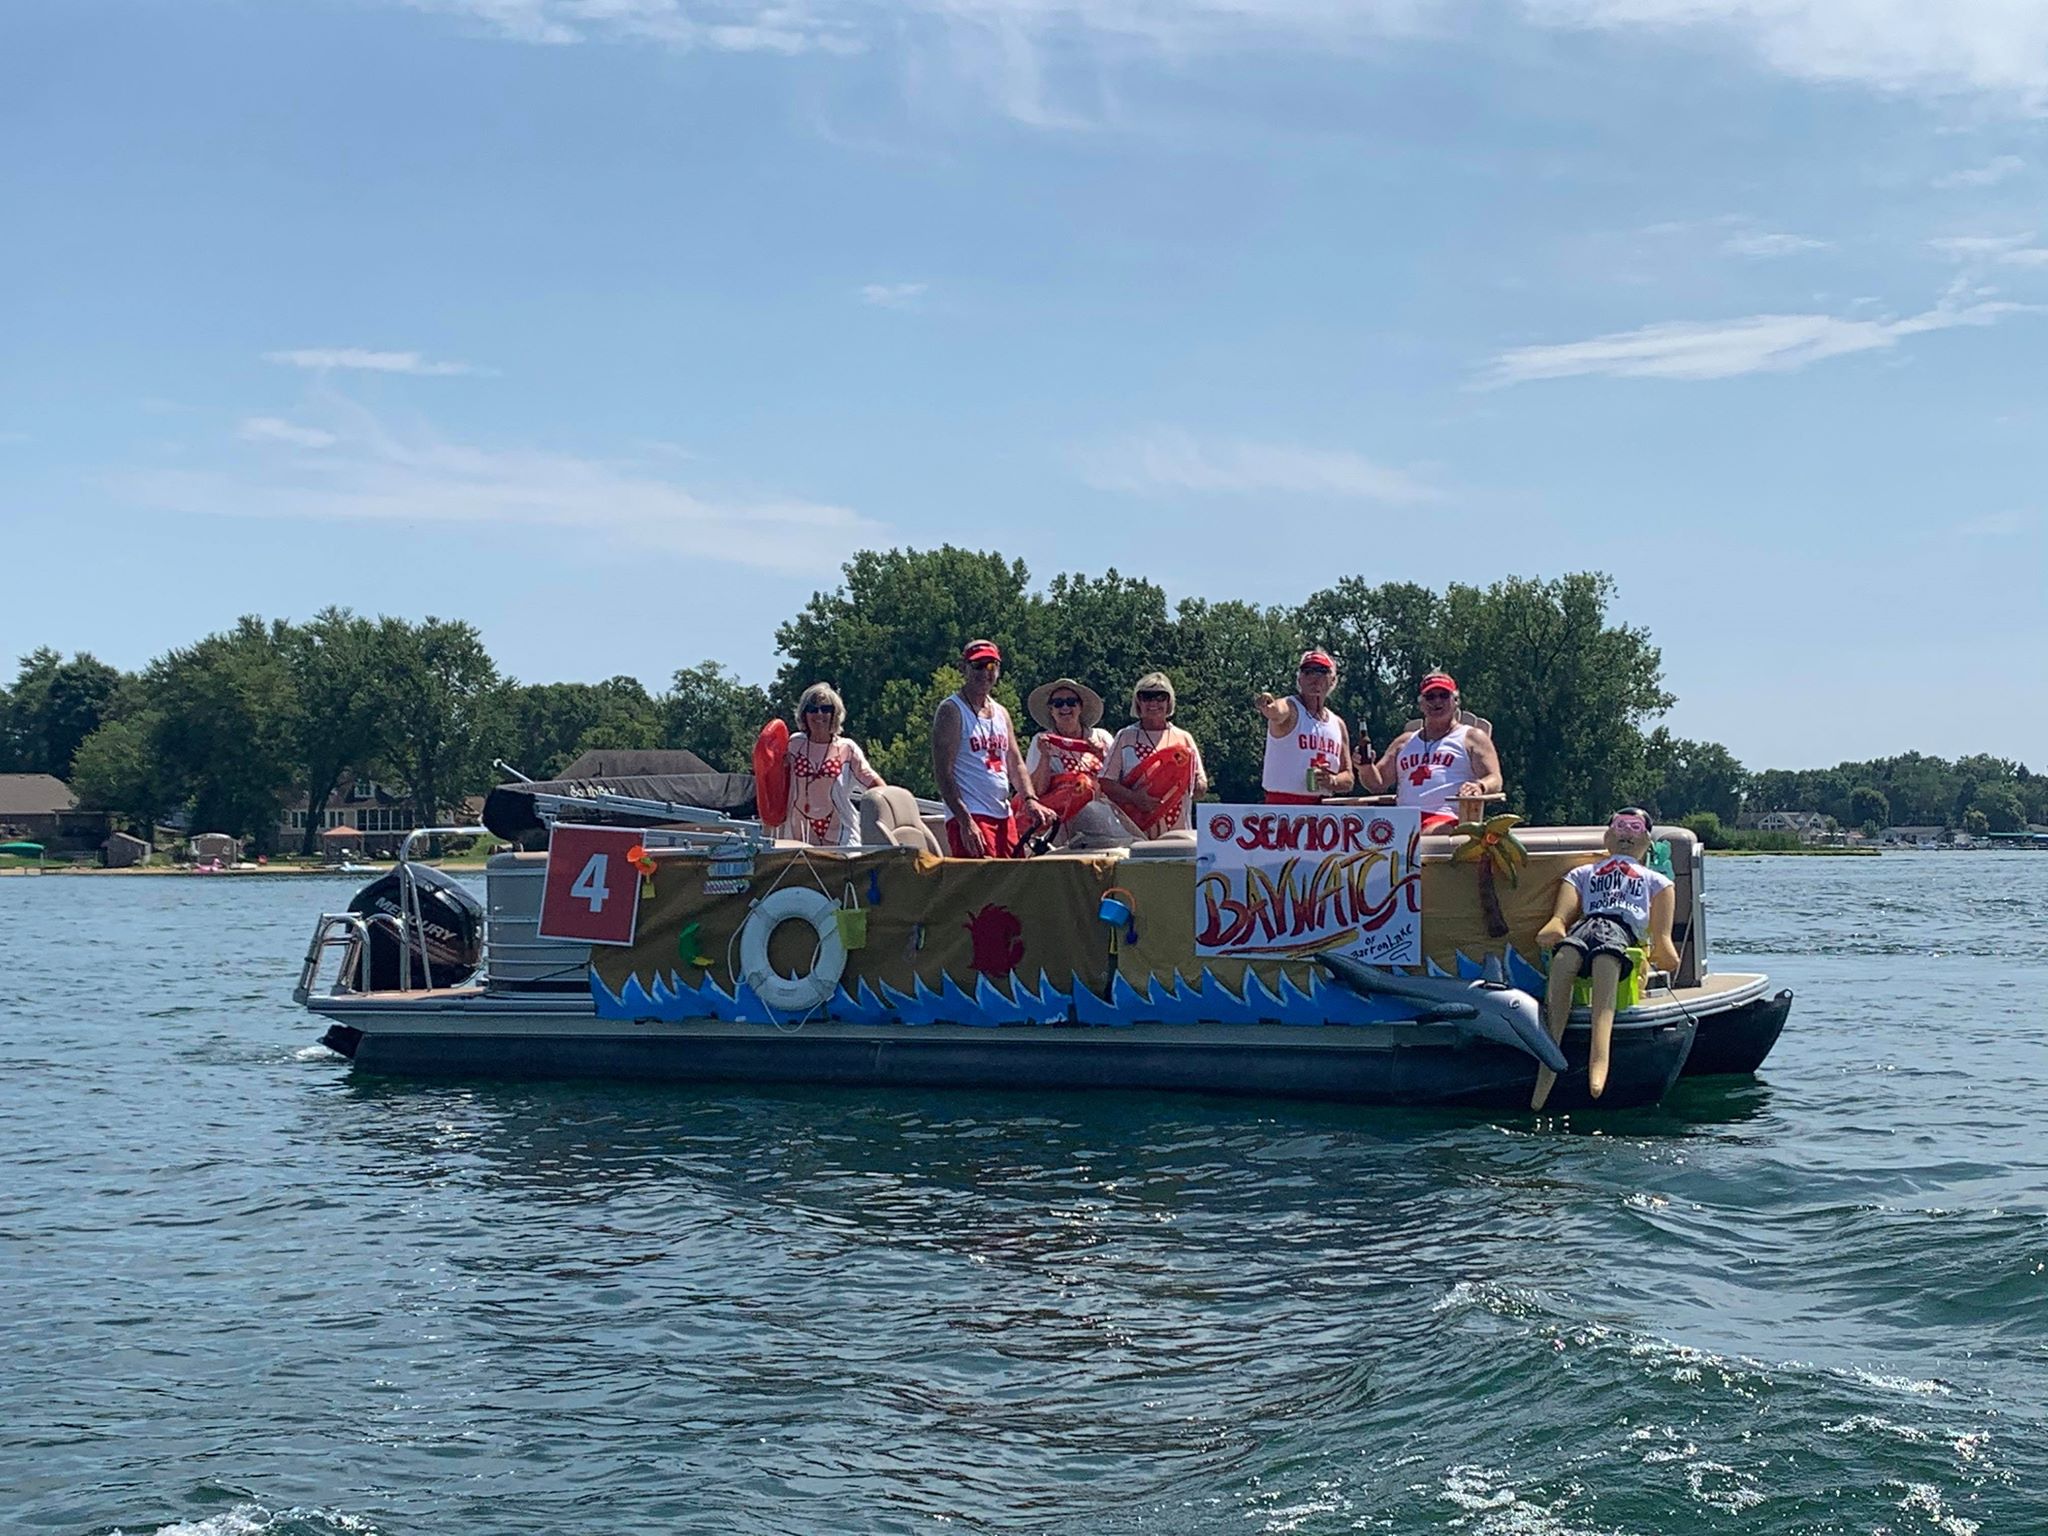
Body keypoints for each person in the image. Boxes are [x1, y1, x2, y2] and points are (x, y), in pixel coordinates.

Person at [1532, 808, 1681, 1106]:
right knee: (1564, 959)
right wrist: (1558, 922)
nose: (1626, 833)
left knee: (1606, 962)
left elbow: (1661, 929)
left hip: (1620, 930)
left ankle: (1599, 1062)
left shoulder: (1656, 880)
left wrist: (1664, 946)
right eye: (1620, 826)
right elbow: (1566, 905)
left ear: (1647, 840)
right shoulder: (1583, 873)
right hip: (1586, 924)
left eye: (1635, 827)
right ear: (1608, 834)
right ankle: (1547, 1061)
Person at [931, 639, 1051, 858]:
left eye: (991, 666)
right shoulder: (952, 710)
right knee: (983, 886)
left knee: (1012, 882)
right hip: (971, 815)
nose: (985, 673)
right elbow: (943, 773)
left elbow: (1015, 764)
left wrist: (1030, 800)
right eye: (977, 666)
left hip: (1003, 814)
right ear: (964, 668)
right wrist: (965, 821)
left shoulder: (1001, 713)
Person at [1356, 671, 1503, 831]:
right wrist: (1365, 767)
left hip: (1446, 819)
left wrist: (1480, 786)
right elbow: (1377, 785)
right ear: (1421, 704)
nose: (1437, 701)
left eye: (1443, 695)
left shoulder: (1472, 737)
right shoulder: (1404, 742)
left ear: (1456, 701)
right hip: (1402, 819)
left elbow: (1494, 778)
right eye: (1430, 697)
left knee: (1419, 836)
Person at [780, 683, 885, 847]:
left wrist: (882, 819)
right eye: (812, 709)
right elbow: (774, 779)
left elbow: (876, 786)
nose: (819, 714)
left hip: (842, 836)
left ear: (834, 713)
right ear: (804, 714)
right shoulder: (794, 744)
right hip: (800, 837)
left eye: (826, 709)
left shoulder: (847, 748)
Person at [1103, 672, 1209, 835]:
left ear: (1169, 701)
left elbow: (1200, 786)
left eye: (1160, 697)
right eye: (1146, 697)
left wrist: (1192, 784)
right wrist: (1134, 797)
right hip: (1134, 831)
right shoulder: (1125, 737)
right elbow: (1106, 782)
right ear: (1138, 701)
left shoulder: (1183, 738)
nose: (1153, 703)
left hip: (1178, 833)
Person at [1256, 649, 1355, 804]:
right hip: (1283, 807)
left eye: (1322, 672)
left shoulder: (1338, 724)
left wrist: (1333, 781)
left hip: (1323, 809)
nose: (1314, 678)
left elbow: (1348, 778)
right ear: (1300, 679)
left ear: (1333, 680)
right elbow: (1278, 711)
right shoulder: (1292, 708)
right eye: (1307, 672)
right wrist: (1268, 706)